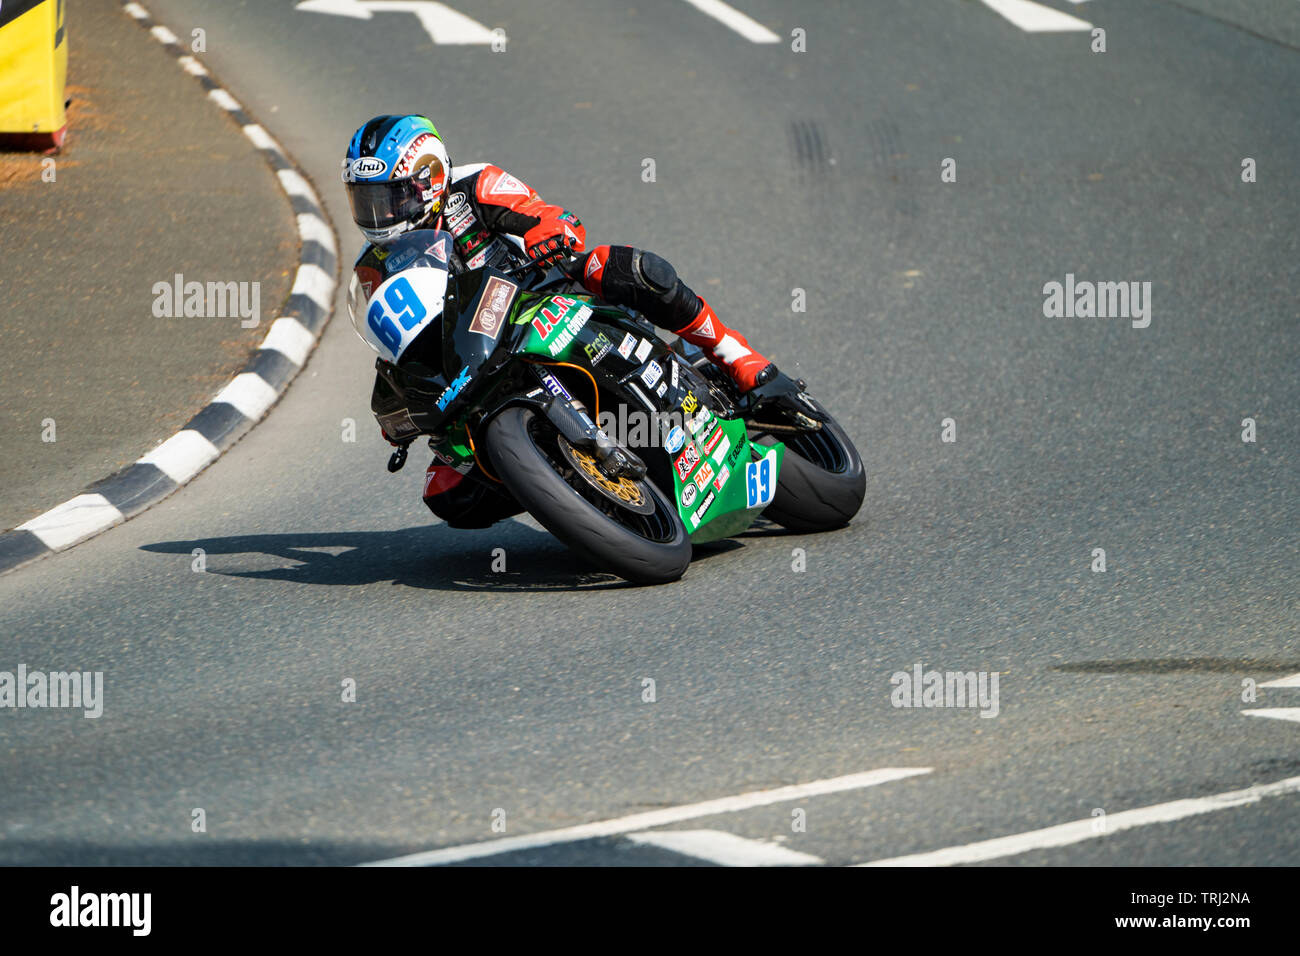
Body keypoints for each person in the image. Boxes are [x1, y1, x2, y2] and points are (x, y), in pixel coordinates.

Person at [343, 113, 780, 526]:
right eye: (366, 201)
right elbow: (398, 343)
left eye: (390, 196)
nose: (379, 214)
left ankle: (732, 352)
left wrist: (550, 234)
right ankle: (569, 488)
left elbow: (548, 216)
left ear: (428, 178)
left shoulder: (476, 183)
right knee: (446, 493)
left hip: (545, 298)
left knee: (626, 269)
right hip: (477, 363)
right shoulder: (375, 265)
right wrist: (403, 402)